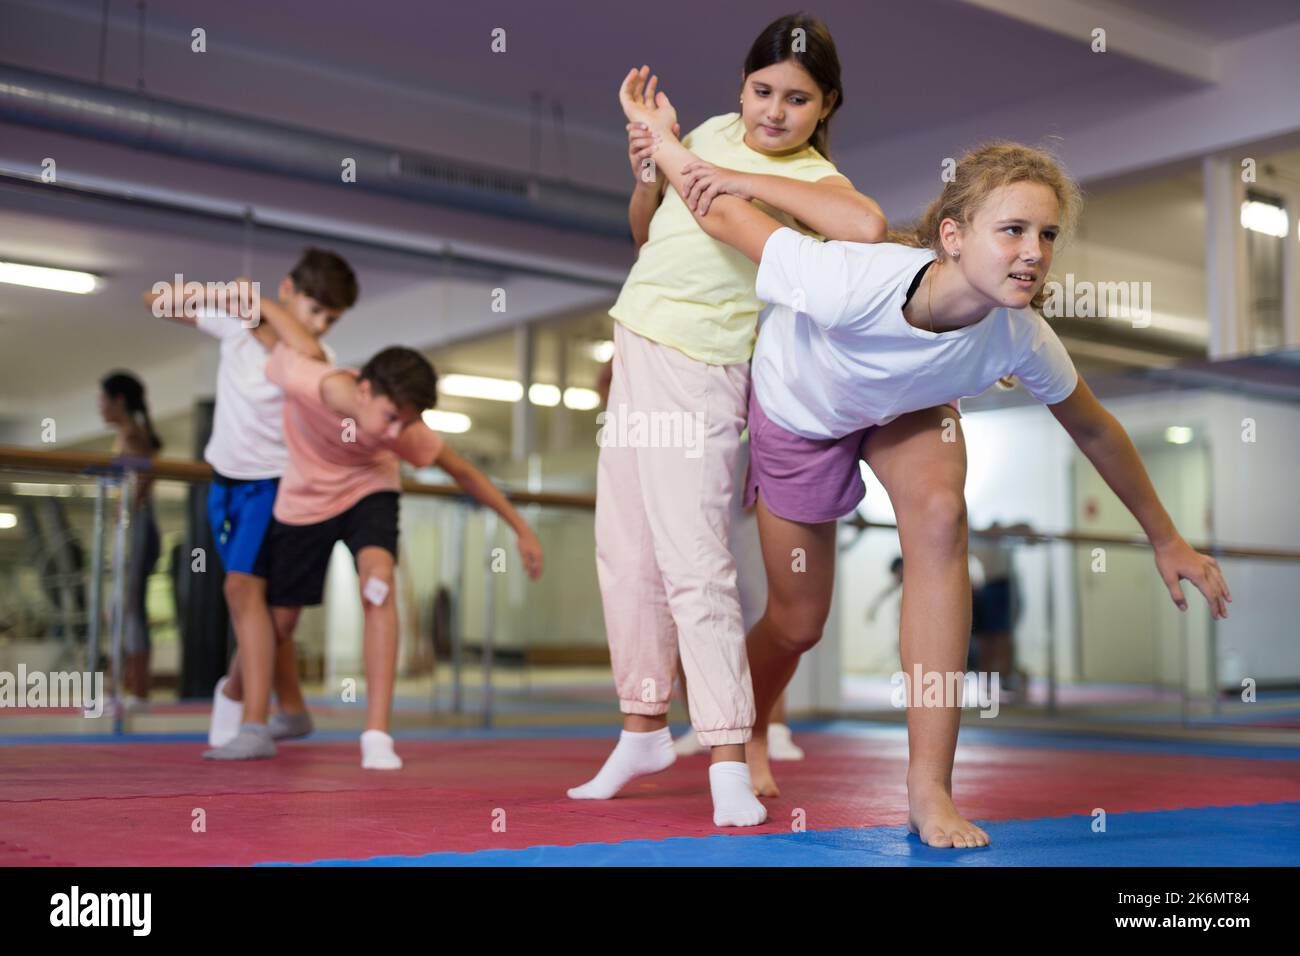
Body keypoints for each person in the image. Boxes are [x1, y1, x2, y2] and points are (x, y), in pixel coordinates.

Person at [626, 100, 1232, 847]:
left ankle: (929, 787)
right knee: (798, 620)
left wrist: (1166, 537)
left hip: (907, 406)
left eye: (1047, 234)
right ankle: (741, 721)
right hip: (801, 410)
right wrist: (669, 147)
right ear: (952, 236)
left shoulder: (1018, 335)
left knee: (943, 518)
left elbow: (1095, 428)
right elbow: (721, 213)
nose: (1035, 251)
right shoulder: (848, 277)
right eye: (1012, 230)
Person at [572, 14, 887, 828]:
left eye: (796, 99)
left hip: (703, 364)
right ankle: (642, 725)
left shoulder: (820, 182)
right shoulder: (710, 130)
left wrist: (724, 173)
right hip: (634, 341)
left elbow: (867, 229)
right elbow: (650, 237)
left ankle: (724, 753)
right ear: (740, 89)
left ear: (826, 107)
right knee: (626, 551)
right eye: (761, 91)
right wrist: (651, 169)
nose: (772, 112)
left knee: (694, 561)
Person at [235, 293, 545, 767]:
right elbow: (266, 334)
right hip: (306, 498)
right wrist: (248, 304)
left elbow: (465, 473)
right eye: (392, 417)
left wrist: (520, 528)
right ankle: (252, 698)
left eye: (410, 421)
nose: (398, 432)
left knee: (377, 585)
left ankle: (377, 733)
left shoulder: (403, 433)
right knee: (281, 622)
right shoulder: (307, 380)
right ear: (363, 391)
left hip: (368, 489)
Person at [143, 248, 356, 757]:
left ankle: (250, 717)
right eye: (316, 308)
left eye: (332, 317)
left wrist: (262, 302)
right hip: (225, 484)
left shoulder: (304, 357)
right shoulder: (235, 329)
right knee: (260, 610)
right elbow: (154, 299)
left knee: (241, 590)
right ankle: (291, 708)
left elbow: (310, 348)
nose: (322, 324)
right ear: (289, 290)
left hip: (276, 486)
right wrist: (228, 298)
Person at [98, 371, 162, 710]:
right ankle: (119, 690)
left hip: (137, 525)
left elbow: (147, 474)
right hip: (133, 524)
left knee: (129, 608)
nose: (99, 406)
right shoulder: (130, 433)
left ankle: (136, 693)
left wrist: (127, 510)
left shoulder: (133, 434)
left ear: (118, 401)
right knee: (121, 608)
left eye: (102, 399)